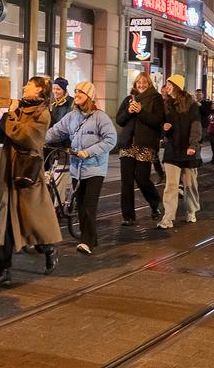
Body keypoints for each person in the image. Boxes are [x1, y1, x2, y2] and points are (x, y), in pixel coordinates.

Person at [0, 76, 63, 288]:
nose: (25, 86)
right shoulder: (17, 108)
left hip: (26, 174)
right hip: (7, 174)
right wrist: (4, 118)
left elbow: (26, 137)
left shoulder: (43, 114)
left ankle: (48, 248)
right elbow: (2, 136)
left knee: (34, 221)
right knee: (4, 223)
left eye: (29, 84)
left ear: (39, 92)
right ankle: (3, 270)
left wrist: (10, 115)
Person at [46, 81, 117, 253]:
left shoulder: (101, 117)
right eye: (76, 91)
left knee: (88, 205)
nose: (76, 95)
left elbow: (111, 140)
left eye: (81, 92)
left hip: (95, 169)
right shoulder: (72, 116)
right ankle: (91, 237)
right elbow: (55, 131)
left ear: (89, 97)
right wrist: (36, 139)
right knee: (80, 203)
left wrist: (89, 152)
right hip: (76, 168)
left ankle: (88, 242)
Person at [116, 73, 164, 225]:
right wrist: (129, 111)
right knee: (127, 181)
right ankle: (128, 216)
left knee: (142, 179)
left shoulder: (156, 99)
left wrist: (140, 112)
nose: (141, 85)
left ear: (149, 84)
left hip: (145, 144)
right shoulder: (128, 99)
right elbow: (120, 121)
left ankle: (155, 202)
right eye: (138, 82)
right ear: (135, 84)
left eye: (144, 82)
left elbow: (157, 122)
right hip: (127, 144)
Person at [156, 75, 202, 228]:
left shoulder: (191, 104)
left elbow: (196, 126)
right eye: (166, 84)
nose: (167, 87)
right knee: (171, 185)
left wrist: (193, 145)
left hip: (188, 149)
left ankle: (191, 210)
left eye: (169, 84)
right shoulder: (166, 104)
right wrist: (164, 129)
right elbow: (162, 124)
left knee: (190, 184)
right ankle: (168, 217)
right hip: (172, 150)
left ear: (177, 86)